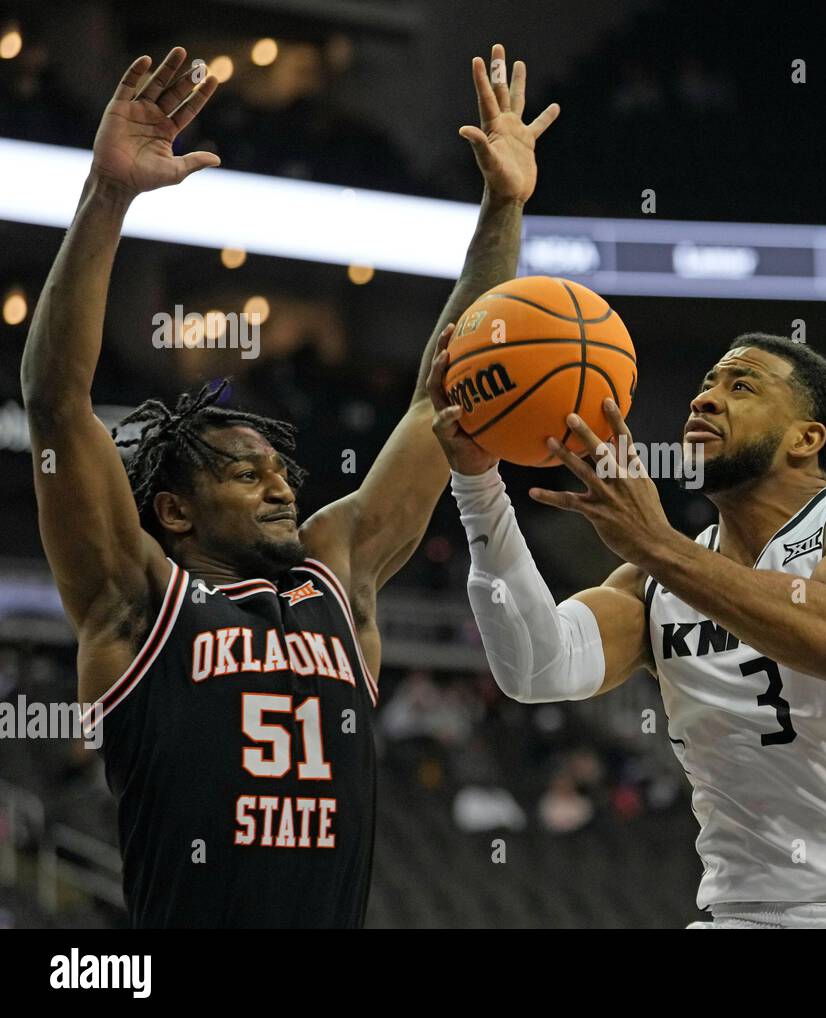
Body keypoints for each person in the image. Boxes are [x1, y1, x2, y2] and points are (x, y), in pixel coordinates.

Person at [21, 43, 557, 927]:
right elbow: (55, 404)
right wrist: (108, 196)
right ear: (174, 510)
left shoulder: (334, 577)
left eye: (281, 473)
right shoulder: (137, 604)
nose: (279, 489)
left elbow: (443, 395)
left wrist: (503, 205)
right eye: (245, 472)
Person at [428, 328, 826, 929]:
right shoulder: (657, 579)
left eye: (740, 385)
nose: (704, 399)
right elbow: (536, 668)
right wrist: (478, 485)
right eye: (706, 384)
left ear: (806, 438)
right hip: (740, 914)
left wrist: (660, 546)